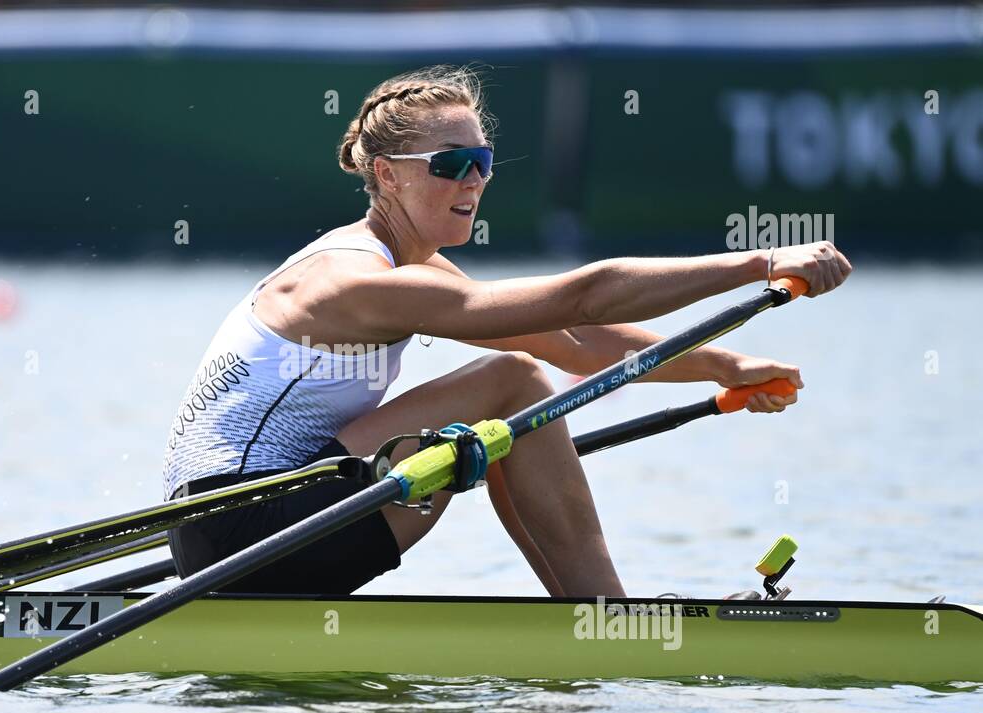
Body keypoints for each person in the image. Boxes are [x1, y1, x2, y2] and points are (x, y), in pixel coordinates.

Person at [162, 65, 850, 597]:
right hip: (247, 531)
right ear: (387, 176)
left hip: (239, 530)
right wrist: (761, 263)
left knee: (514, 396)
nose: (473, 181)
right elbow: (585, 298)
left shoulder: (409, 266)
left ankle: (587, 614)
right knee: (513, 379)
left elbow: (577, 342)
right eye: (450, 165)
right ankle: (610, 613)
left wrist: (724, 367)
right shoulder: (351, 279)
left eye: (483, 162)